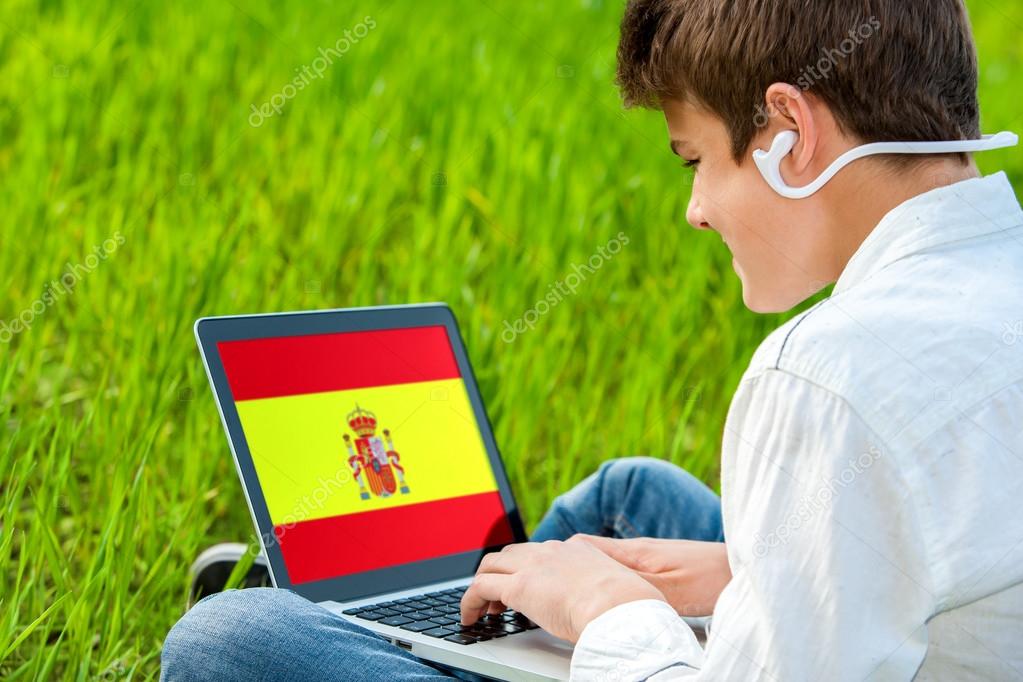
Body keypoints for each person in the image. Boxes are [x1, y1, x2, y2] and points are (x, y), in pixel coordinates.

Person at [162, 0, 1023, 679]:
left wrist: (611, 611)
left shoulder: (830, 377)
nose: (694, 211)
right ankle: (438, 617)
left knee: (229, 640)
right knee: (629, 497)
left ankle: (362, 624)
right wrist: (747, 579)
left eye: (694, 161)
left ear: (786, 136)